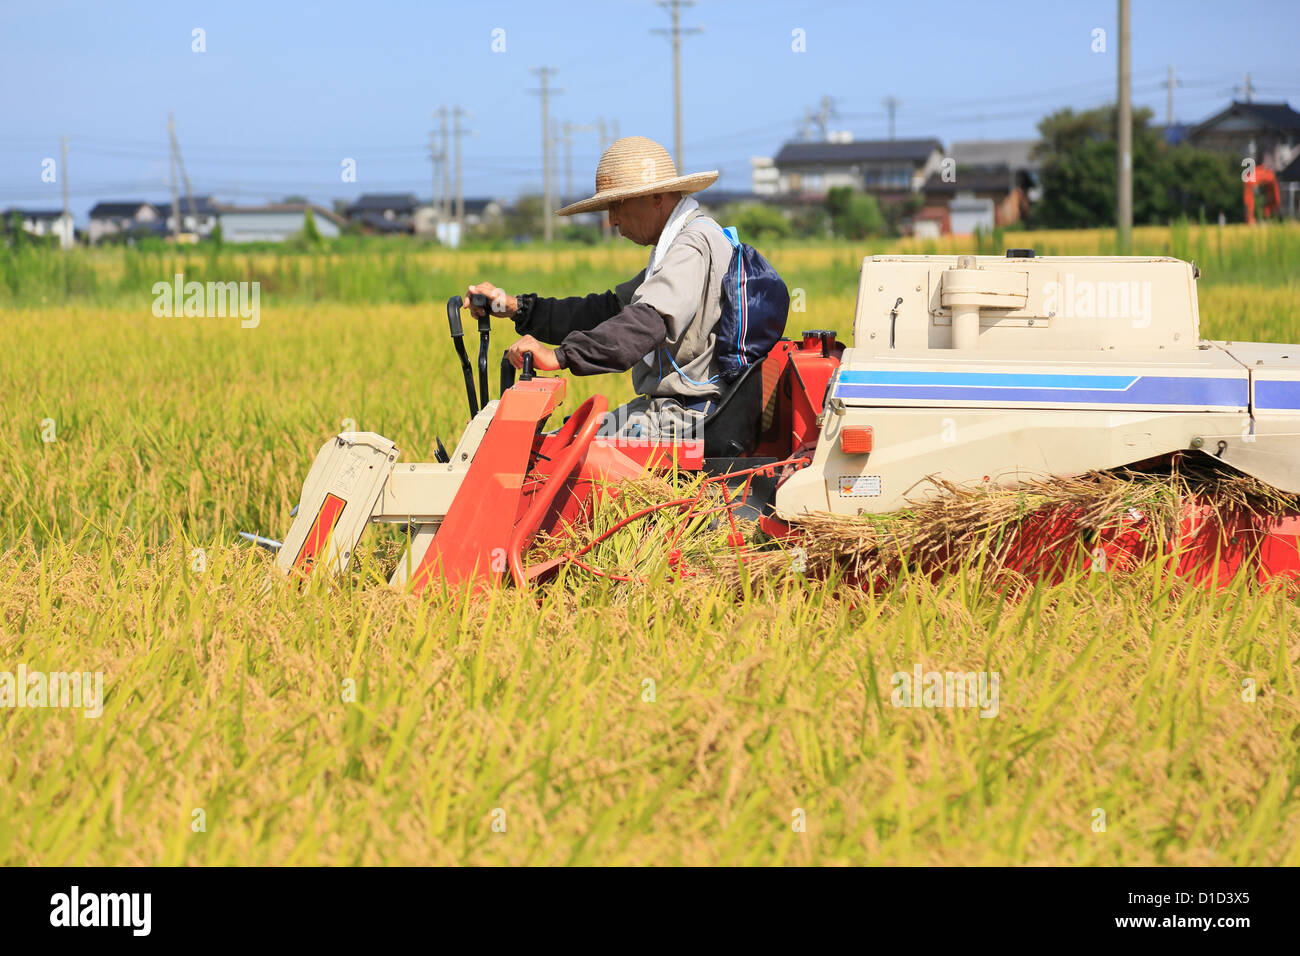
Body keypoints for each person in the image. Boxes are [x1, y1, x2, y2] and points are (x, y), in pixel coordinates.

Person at [464, 136, 736, 440]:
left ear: (658, 197)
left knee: (559, 452)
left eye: (618, 204)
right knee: (561, 438)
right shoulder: (677, 247)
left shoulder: (691, 246)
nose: (613, 219)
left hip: (689, 420)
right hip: (674, 412)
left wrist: (559, 357)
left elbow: (645, 323)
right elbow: (604, 313)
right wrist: (512, 307)